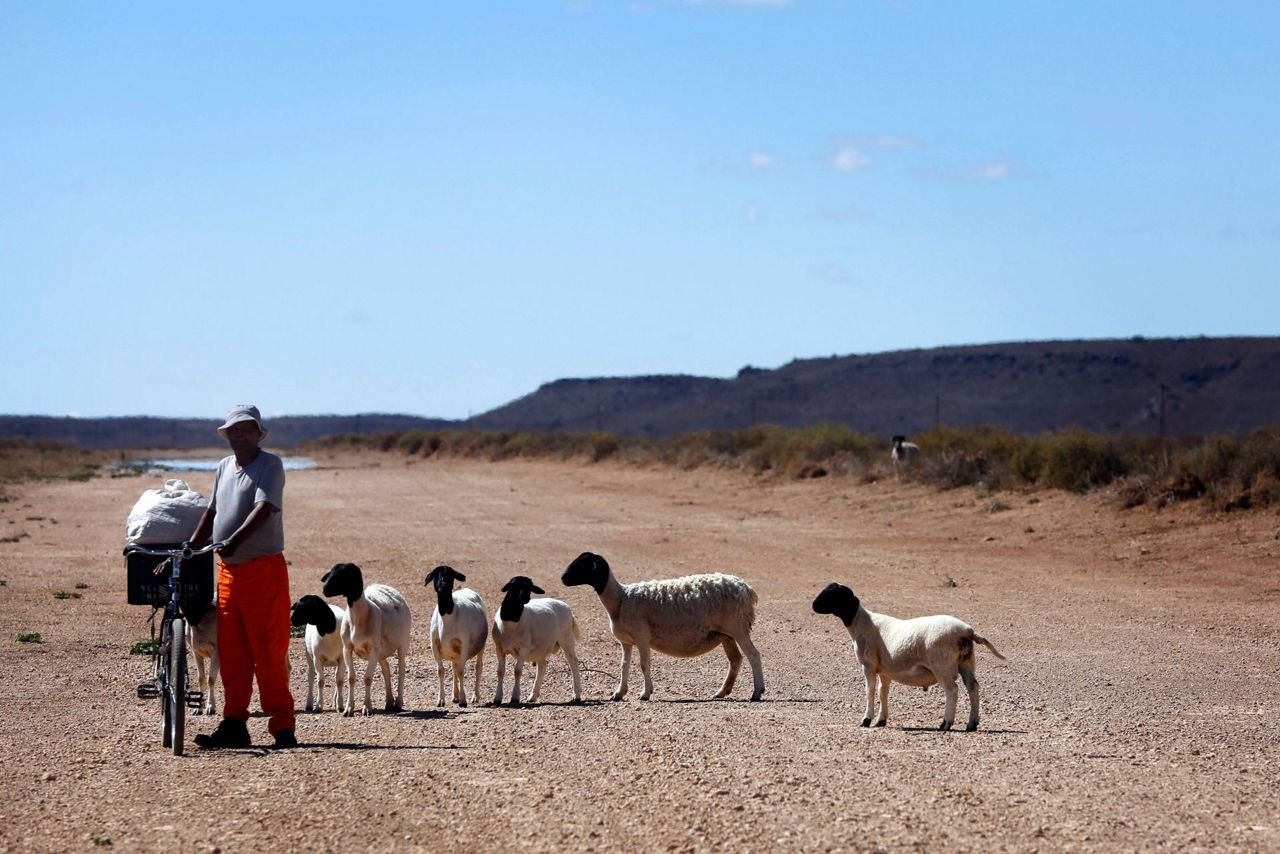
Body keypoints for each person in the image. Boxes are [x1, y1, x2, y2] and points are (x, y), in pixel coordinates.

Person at [188, 404, 297, 749]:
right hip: (228, 573)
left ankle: (282, 727)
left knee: (268, 651)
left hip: (262, 571)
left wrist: (234, 541)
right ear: (228, 435)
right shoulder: (223, 467)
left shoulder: (270, 464)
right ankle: (234, 722)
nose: (239, 435)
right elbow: (212, 511)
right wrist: (191, 546)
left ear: (257, 433)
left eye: (246, 429)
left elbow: (263, 508)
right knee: (231, 652)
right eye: (234, 430)